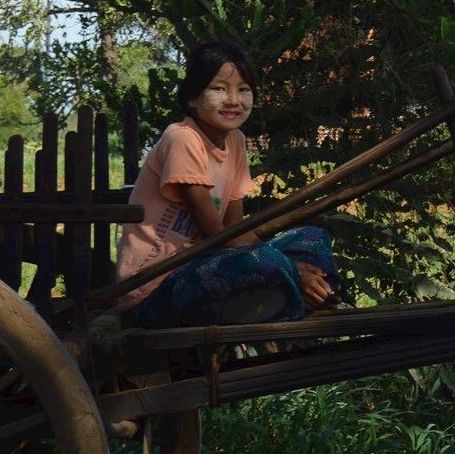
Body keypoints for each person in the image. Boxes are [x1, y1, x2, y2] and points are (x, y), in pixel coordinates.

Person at [115, 40, 341, 327]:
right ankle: (292, 292)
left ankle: (318, 293)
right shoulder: (182, 138)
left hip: (209, 264)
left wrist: (284, 262)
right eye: (219, 89)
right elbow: (216, 236)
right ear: (192, 99)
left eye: (243, 89)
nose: (234, 100)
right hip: (157, 287)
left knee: (312, 237)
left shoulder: (235, 141)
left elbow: (236, 229)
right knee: (264, 263)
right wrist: (290, 268)